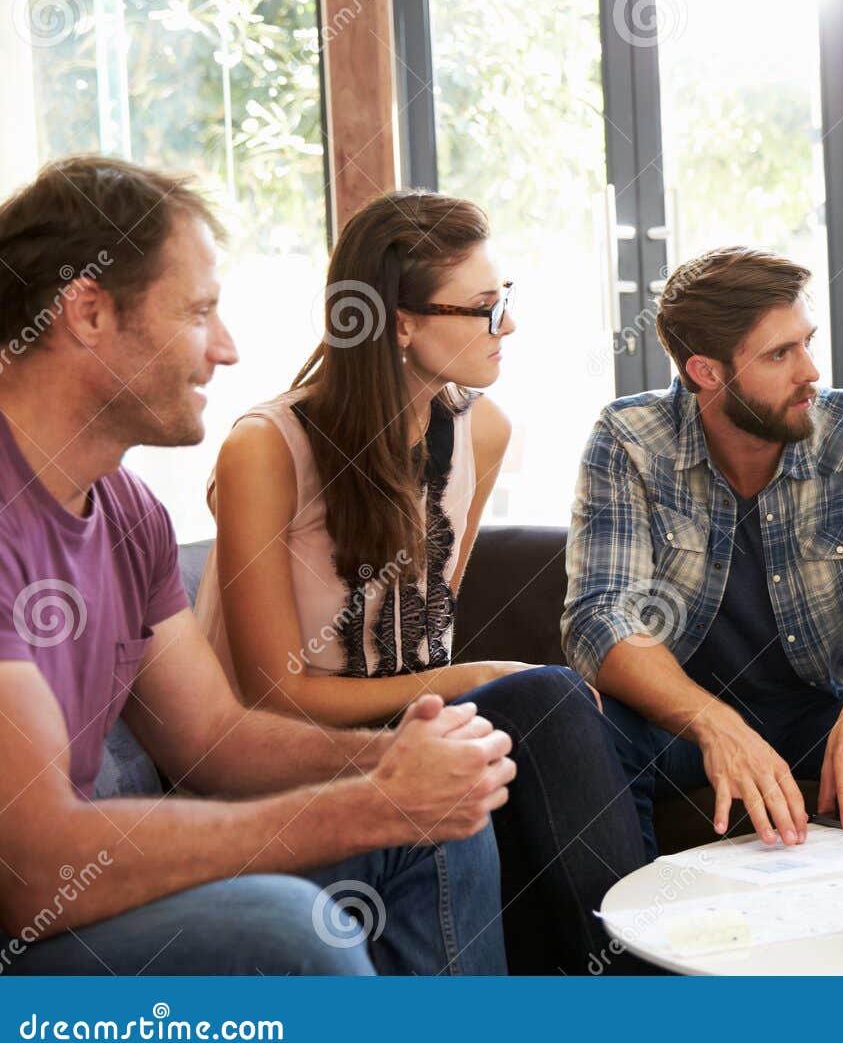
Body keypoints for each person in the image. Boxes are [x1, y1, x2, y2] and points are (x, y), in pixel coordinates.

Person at [0, 156, 513, 975]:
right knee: (287, 930)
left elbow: (214, 738)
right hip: (26, 928)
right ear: (88, 311)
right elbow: (36, 870)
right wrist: (368, 802)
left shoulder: (128, 513)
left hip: (77, 902)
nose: (228, 350)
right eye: (200, 311)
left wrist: (404, 766)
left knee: (441, 822)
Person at [196, 190, 647, 974]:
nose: (506, 324)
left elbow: (422, 634)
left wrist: (453, 686)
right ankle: (643, 986)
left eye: (503, 298)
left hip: (409, 726)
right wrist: (470, 676)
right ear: (398, 322)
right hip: (283, 753)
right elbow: (271, 695)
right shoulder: (268, 448)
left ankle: (619, 980)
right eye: (481, 306)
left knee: (548, 720)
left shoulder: (482, 429)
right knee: (544, 696)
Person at [564, 246, 843, 858]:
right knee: (580, 734)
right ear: (706, 372)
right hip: (680, 720)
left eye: (806, 342)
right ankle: (630, 944)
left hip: (820, 710)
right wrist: (716, 725)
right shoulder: (630, 440)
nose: (811, 372)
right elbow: (600, 617)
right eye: (780, 354)